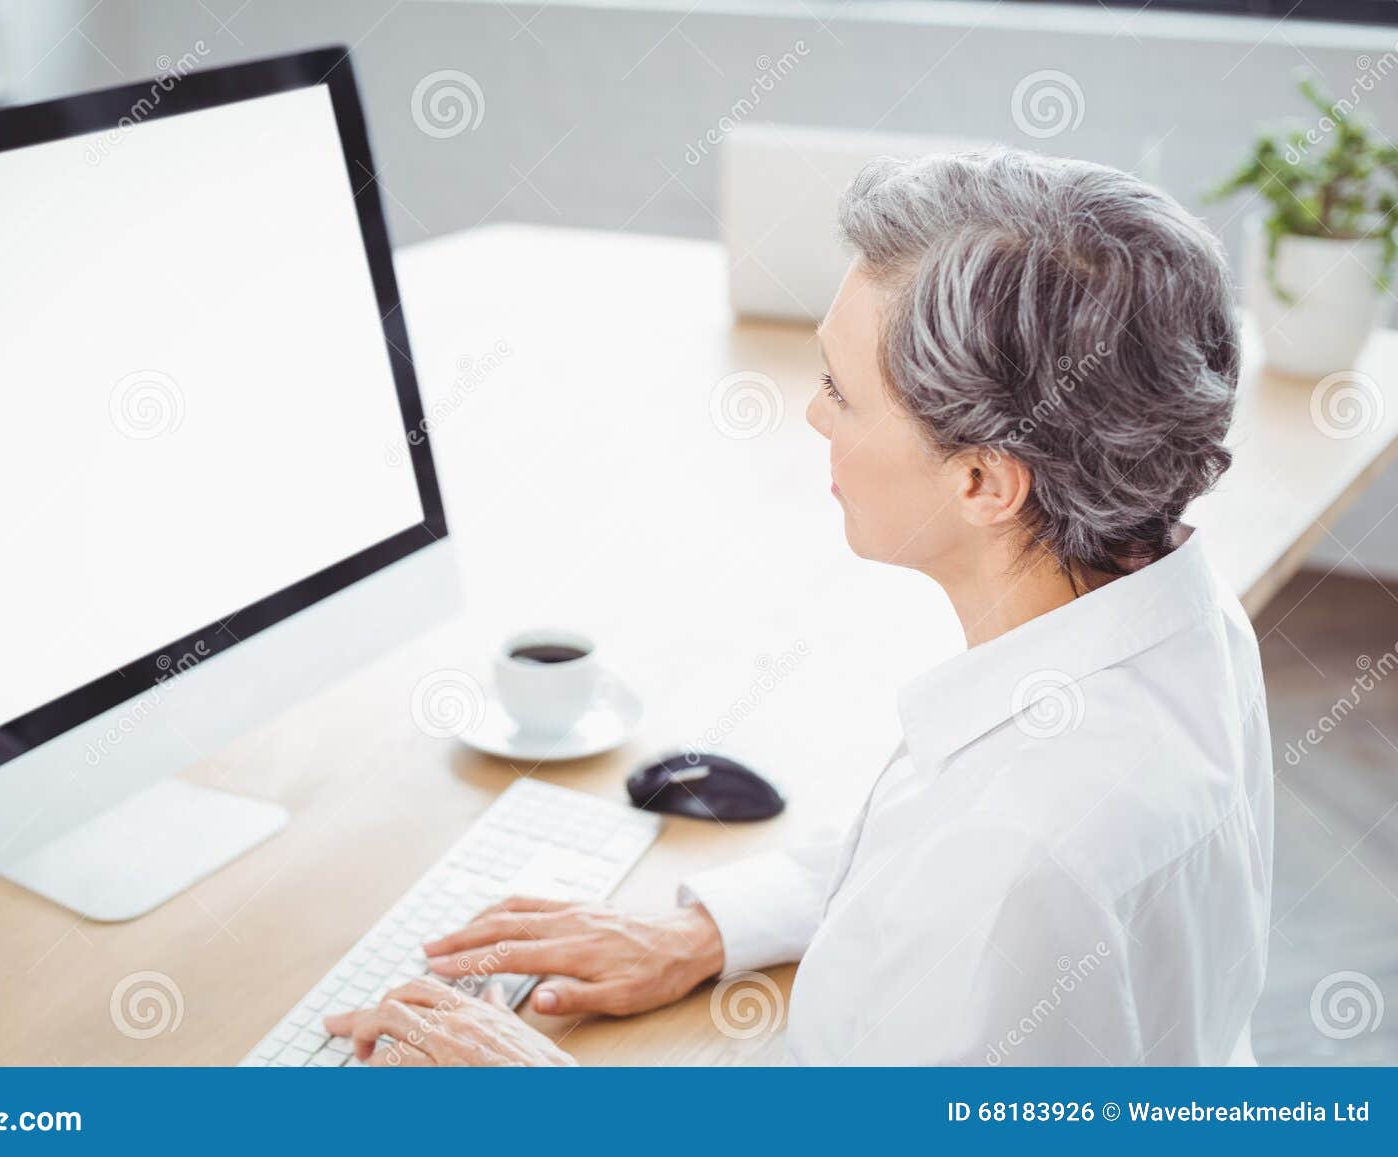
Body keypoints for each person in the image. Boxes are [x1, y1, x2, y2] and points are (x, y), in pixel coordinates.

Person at [325, 148, 1271, 1066]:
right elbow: (928, 857)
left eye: (839, 389)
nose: (815, 413)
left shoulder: (1014, 861)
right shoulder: (1174, 612)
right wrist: (703, 932)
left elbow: (983, 877)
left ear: (983, 479)